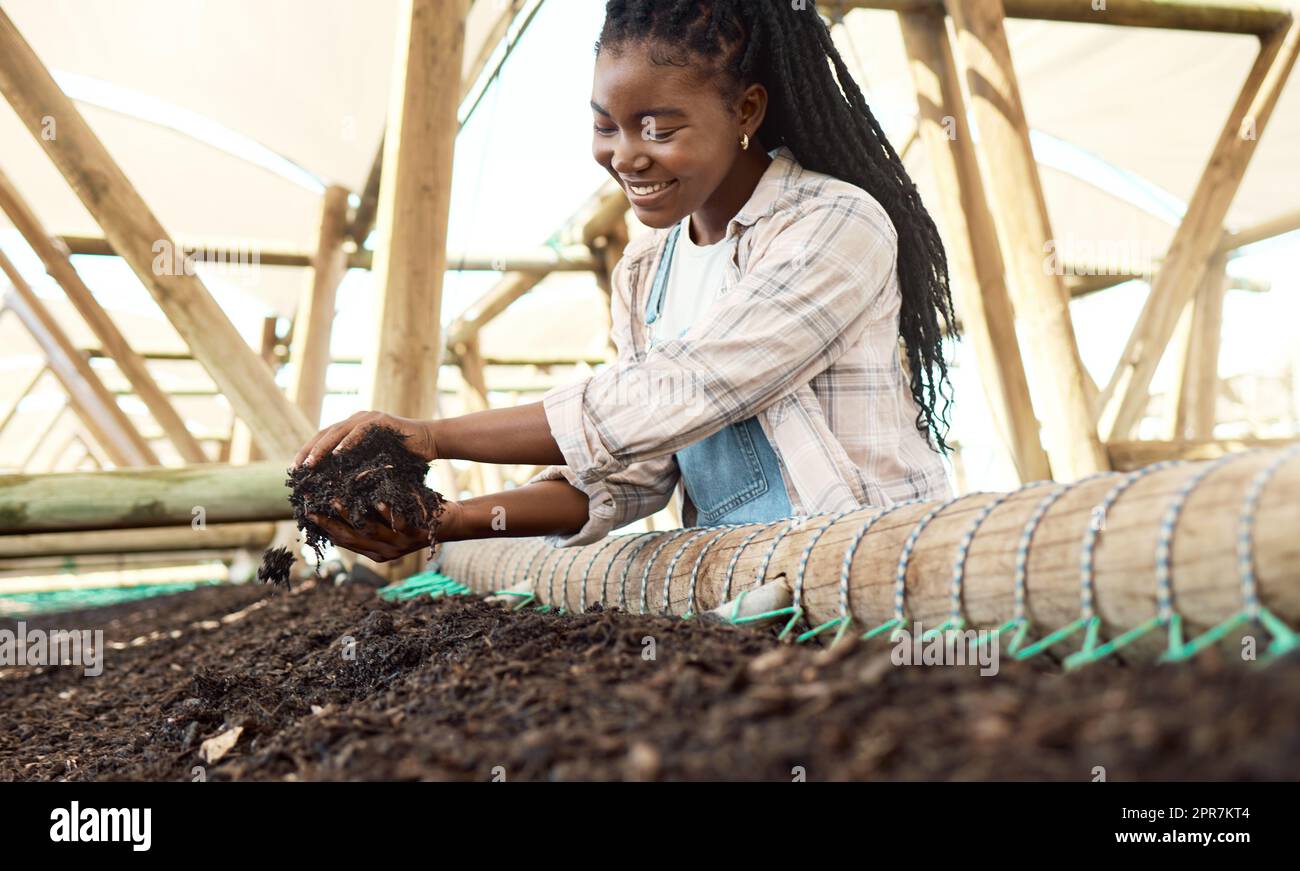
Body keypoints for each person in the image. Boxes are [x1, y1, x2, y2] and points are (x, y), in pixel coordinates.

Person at [293, 0, 956, 563]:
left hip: (875, 577)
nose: (626, 155)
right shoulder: (645, 274)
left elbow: (680, 391)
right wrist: (451, 519)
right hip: (749, 588)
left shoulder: (834, 224)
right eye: (604, 125)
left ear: (747, 110)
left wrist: (434, 435)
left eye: (659, 128)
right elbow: (634, 470)